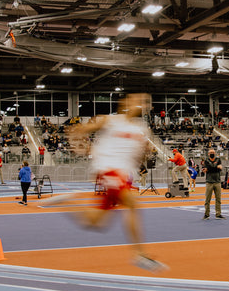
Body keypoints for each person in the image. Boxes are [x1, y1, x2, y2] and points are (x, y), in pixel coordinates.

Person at [62, 93, 165, 271]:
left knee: (95, 223)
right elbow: (80, 130)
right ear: (125, 104)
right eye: (137, 101)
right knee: (132, 204)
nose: (141, 105)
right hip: (107, 168)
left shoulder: (142, 129)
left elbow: (139, 155)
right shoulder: (110, 120)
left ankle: (67, 201)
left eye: (144, 102)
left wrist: (142, 157)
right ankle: (139, 255)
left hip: (124, 175)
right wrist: (78, 142)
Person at [202, 148, 224, 219]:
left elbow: (214, 169)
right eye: (210, 152)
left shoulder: (218, 160)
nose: (212, 153)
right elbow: (208, 168)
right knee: (207, 199)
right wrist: (216, 168)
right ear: (208, 154)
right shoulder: (206, 161)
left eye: (213, 152)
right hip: (209, 182)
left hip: (217, 182)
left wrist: (209, 169)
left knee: (218, 199)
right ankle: (206, 214)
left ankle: (218, 214)